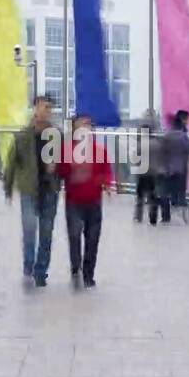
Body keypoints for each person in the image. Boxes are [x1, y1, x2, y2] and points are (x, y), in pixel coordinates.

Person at [4, 95, 61, 287]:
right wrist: (8, 188)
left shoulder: (56, 135)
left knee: (46, 232)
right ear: (35, 108)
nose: (47, 111)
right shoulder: (23, 136)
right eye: (44, 107)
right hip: (29, 189)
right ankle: (28, 266)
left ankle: (41, 271)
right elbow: (12, 162)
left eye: (50, 108)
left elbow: (66, 161)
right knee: (29, 229)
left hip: (50, 189)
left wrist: (58, 168)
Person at [57, 115, 113, 288]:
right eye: (82, 125)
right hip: (74, 202)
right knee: (74, 236)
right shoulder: (66, 151)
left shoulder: (99, 150)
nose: (86, 128)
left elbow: (106, 171)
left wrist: (107, 184)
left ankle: (89, 274)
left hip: (94, 201)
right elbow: (61, 172)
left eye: (88, 125)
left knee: (93, 239)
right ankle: (76, 268)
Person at [160, 111, 189, 224]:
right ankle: (183, 215)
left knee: (164, 192)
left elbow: (162, 151)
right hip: (180, 168)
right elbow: (188, 149)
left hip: (167, 168)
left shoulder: (166, 135)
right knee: (180, 191)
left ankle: (165, 216)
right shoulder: (183, 136)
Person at [134, 120, 163, 225]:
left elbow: (136, 159)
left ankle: (138, 216)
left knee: (140, 196)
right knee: (153, 196)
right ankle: (153, 218)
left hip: (142, 172)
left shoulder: (139, 144)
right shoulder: (157, 144)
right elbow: (161, 158)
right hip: (154, 173)